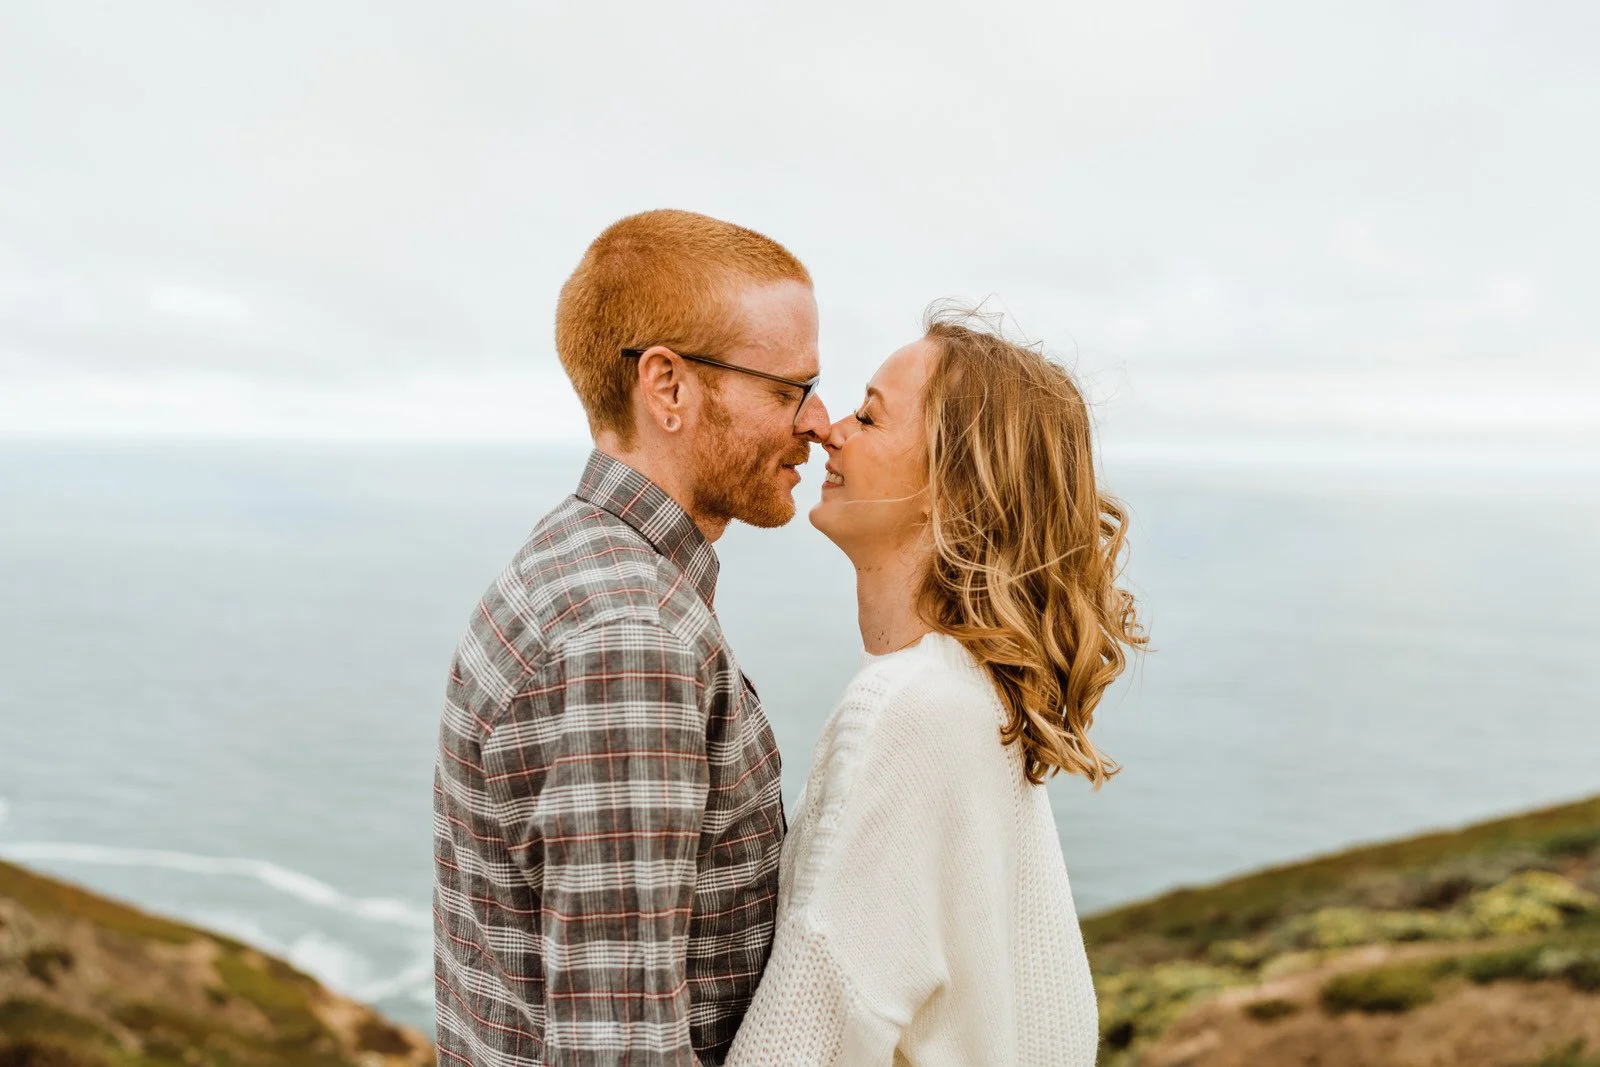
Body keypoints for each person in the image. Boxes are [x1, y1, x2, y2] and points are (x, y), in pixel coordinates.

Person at [432, 209, 830, 1066]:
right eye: (787, 388)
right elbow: (620, 1051)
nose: (817, 420)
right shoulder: (631, 638)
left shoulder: (568, 561)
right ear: (670, 387)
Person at [725, 311, 1146, 1066]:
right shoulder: (973, 697)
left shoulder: (909, 705)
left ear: (949, 483)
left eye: (871, 413)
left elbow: (811, 1030)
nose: (831, 429)